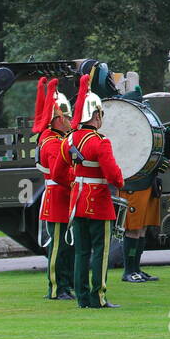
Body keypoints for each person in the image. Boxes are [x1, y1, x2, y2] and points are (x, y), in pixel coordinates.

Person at [67, 86, 125, 308]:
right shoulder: (100, 142)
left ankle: (82, 298)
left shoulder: (70, 139)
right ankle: (98, 296)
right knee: (100, 251)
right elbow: (113, 174)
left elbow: (65, 166)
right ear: (96, 114)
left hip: (77, 199)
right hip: (97, 200)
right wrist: (121, 182)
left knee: (81, 251)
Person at [117, 100, 170, 283]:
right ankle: (129, 270)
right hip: (134, 186)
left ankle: (136, 268)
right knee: (133, 229)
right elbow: (140, 157)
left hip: (147, 183)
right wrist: (166, 163)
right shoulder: (127, 134)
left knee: (143, 229)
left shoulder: (141, 130)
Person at [33, 78, 75, 300]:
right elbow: (60, 173)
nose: (69, 120)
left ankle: (67, 284)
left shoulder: (60, 138)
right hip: (58, 197)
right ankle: (57, 287)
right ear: (57, 119)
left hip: (66, 197)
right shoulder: (51, 142)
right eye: (66, 117)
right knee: (58, 247)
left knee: (68, 247)